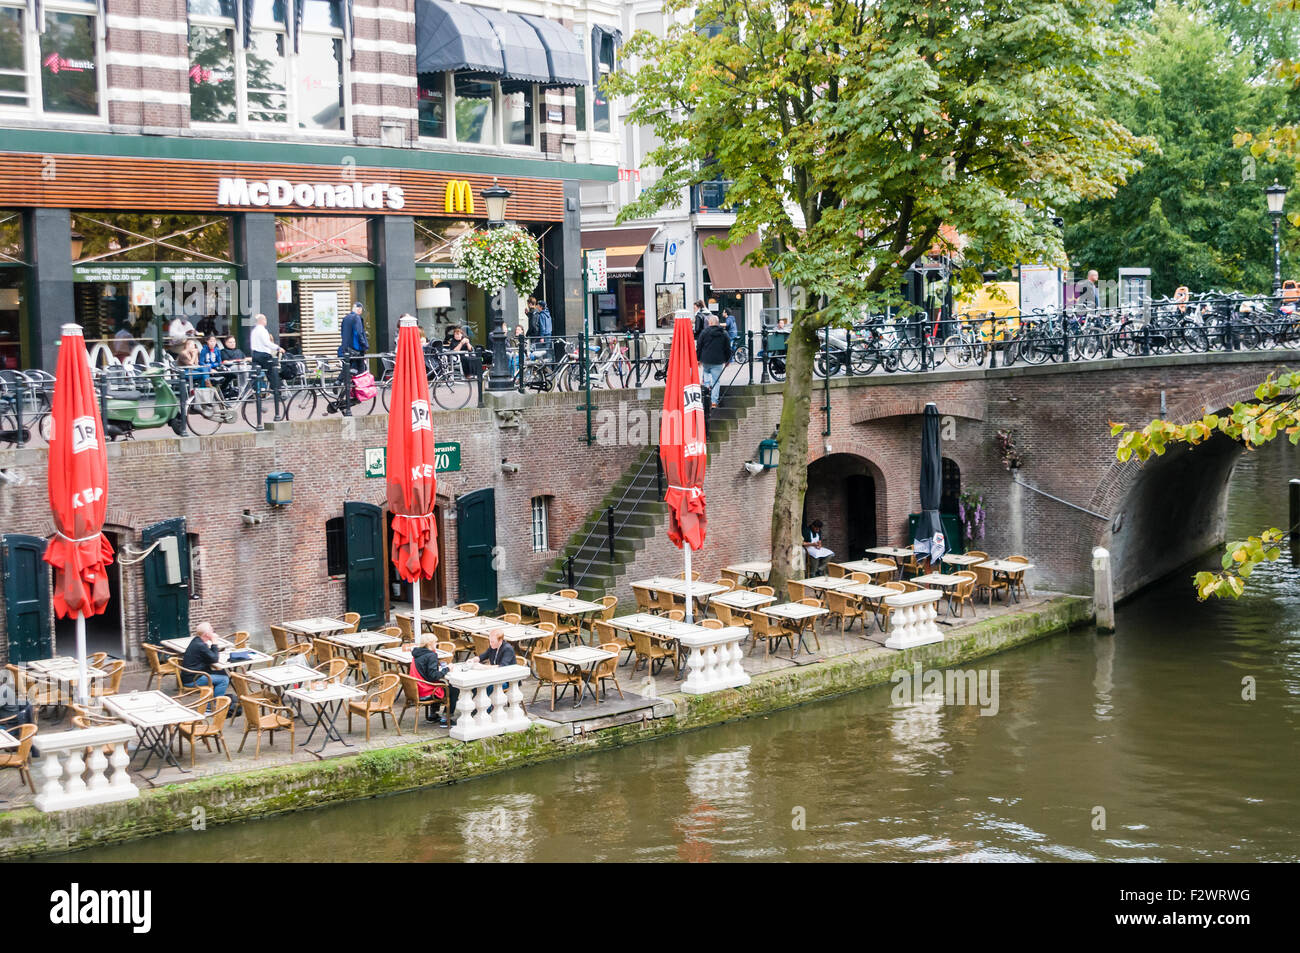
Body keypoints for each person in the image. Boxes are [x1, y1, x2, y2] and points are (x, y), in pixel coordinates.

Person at [445, 629, 516, 724]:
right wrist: (473, 660)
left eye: (492, 641)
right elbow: (483, 656)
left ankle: (484, 709)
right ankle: (477, 707)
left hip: (506, 679)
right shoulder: (493, 646)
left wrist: (483, 667)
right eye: (490, 641)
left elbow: (502, 667)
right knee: (475, 686)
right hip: (494, 676)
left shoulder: (507, 649)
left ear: (500, 641)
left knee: (488, 686)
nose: (491, 644)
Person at [179, 622, 238, 715]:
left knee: (222, 672)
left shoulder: (196, 640)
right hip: (193, 680)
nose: (213, 631)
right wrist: (214, 642)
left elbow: (209, 657)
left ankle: (215, 700)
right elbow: (214, 659)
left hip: (190, 675)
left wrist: (212, 646)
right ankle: (211, 708)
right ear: (207, 634)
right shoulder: (201, 645)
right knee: (224, 679)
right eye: (211, 630)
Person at [249, 312, 286, 421]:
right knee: (272, 372)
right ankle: (277, 392)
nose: (266, 321)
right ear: (262, 320)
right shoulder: (262, 330)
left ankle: (256, 392)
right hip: (264, 354)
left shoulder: (254, 331)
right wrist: (278, 348)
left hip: (255, 354)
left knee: (256, 374)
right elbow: (267, 343)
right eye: (265, 320)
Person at [336, 301, 368, 417]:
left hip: (346, 350)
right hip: (356, 350)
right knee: (360, 372)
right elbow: (359, 334)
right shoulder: (357, 318)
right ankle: (356, 395)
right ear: (358, 309)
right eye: (361, 310)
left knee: (349, 369)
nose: (361, 312)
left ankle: (339, 381)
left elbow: (343, 334)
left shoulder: (345, 319)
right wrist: (365, 346)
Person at [409, 636, 451, 724]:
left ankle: (433, 715)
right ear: (430, 643)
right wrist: (447, 669)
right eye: (435, 642)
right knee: (453, 688)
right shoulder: (431, 655)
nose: (437, 644)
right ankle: (446, 718)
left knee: (439, 684)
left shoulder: (417, 653)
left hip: (415, 689)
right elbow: (434, 676)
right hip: (425, 691)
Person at [696, 314, 732, 407]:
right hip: (718, 361)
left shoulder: (704, 332)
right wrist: (728, 360)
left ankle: (706, 398)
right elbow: (727, 348)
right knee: (716, 381)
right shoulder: (724, 333)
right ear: (717, 323)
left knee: (706, 380)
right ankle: (713, 402)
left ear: (710, 322)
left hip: (706, 360)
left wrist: (698, 359)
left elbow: (699, 346)